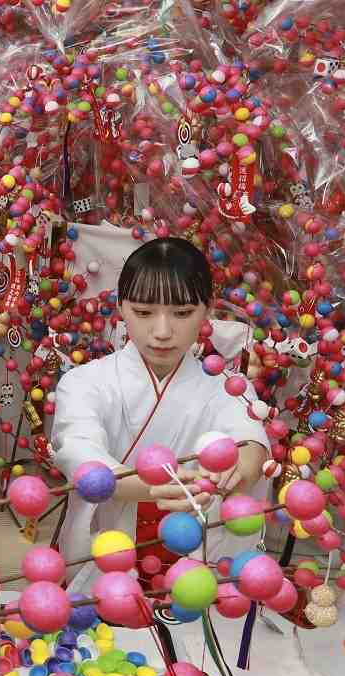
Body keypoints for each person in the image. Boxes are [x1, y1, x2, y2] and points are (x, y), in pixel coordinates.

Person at [51, 237, 270, 592]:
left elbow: (250, 442)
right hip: (106, 547)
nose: (163, 331)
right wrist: (163, 487)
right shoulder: (83, 382)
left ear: (207, 310)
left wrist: (239, 470)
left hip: (196, 557)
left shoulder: (229, 386)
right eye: (144, 312)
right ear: (121, 308)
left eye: (182, 313)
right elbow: (80, 455)